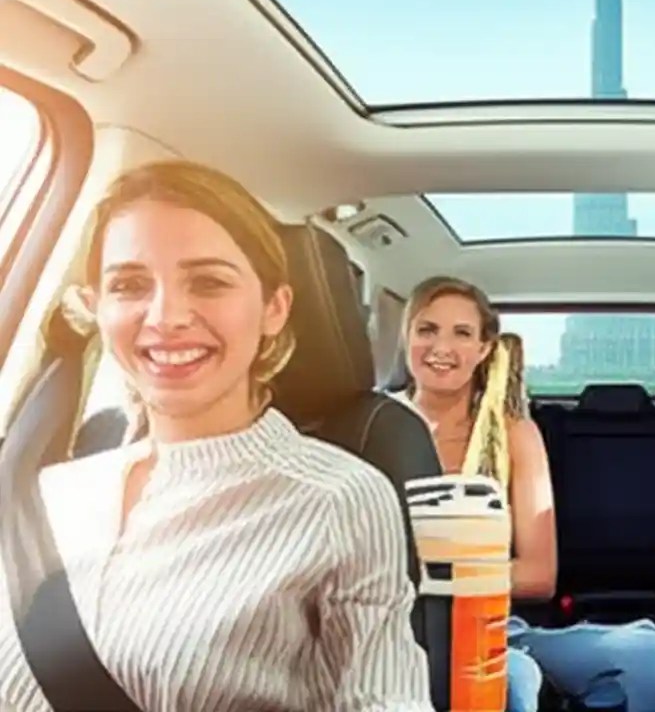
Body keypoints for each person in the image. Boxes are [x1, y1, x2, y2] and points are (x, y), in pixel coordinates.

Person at [0, 160, 433, 710]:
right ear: (98, 306)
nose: (165, 316)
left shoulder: (340, 499)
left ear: (274, 309)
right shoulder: (46, 491)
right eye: (129, 284)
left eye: (208, 282)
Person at [396, 275, 655, 712]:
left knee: (647, 653)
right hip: (395, 629)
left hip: (495, 628)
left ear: (485, 348)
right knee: (515, 679)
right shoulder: (375, 426)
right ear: (406, 336)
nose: (442, 348)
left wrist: (430, 574)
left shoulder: (514, 434)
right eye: (427, 330)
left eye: (462, 333)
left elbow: (538, 576)